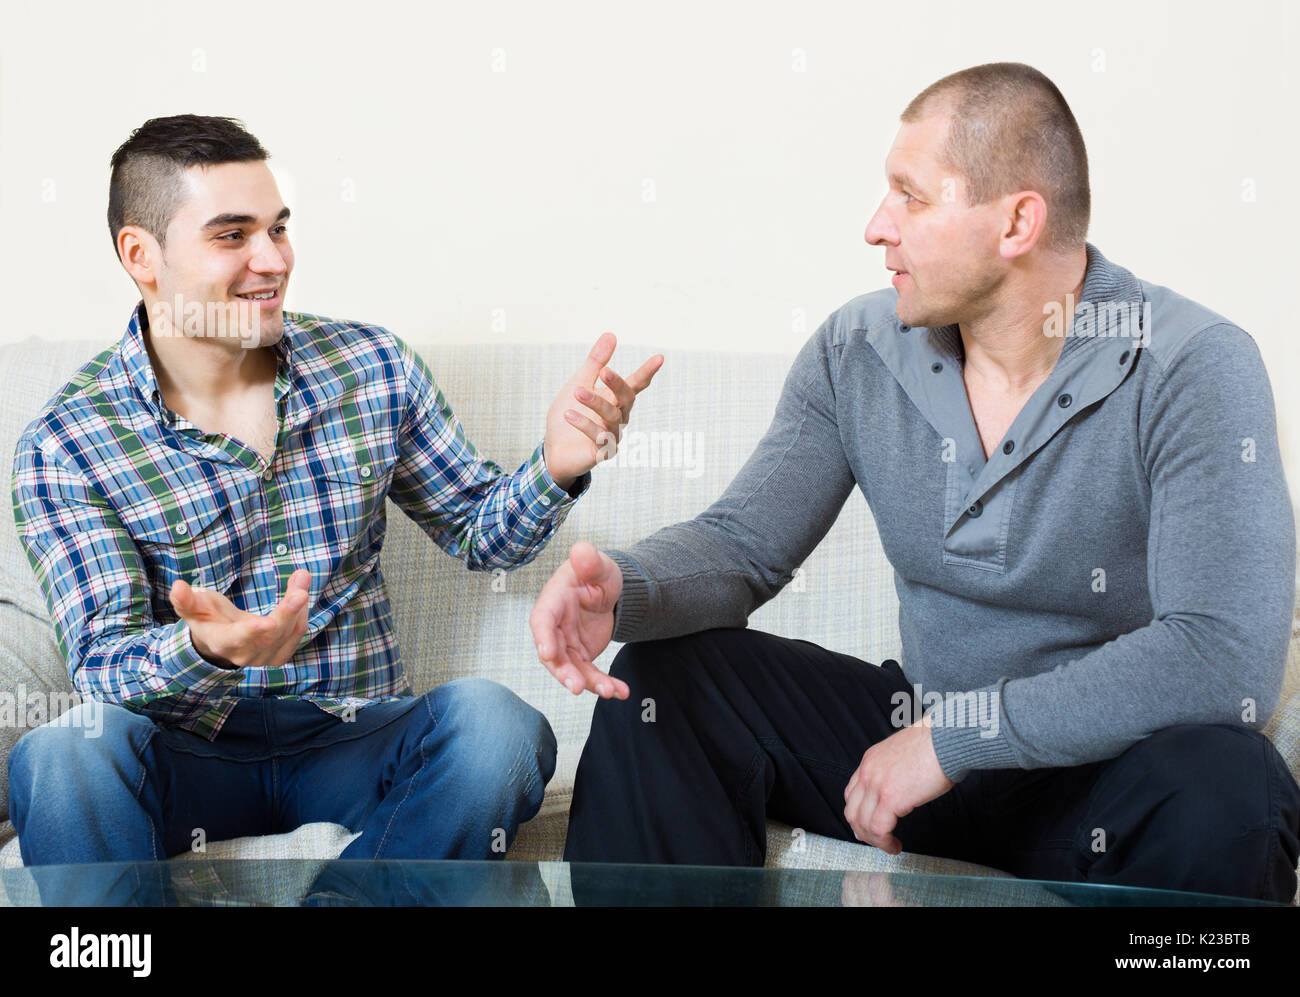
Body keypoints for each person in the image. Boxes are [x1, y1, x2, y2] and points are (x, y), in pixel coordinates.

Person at [529, 62, 1300, 903]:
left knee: (1233, 790)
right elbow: (743, 547)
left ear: (1016, 222)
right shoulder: (857, 349)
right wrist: (628, 588)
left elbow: (1223, 654)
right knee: (666, 682)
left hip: (1100, 770)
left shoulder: (1192, 364)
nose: (876, 227)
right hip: (913, 732)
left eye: (911, 197)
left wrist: (961, 735)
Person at [7, 114, 663, 887]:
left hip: (357, 734)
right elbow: (102, 666)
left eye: (278, 228)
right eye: (233, 235)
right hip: (186, 749)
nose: (273, 259)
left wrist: (555, 465)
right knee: (61, 752)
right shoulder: (67, 441)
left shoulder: (371, 366)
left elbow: (483, 533)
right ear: (140, 255)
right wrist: (204, 649)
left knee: (498, 727)